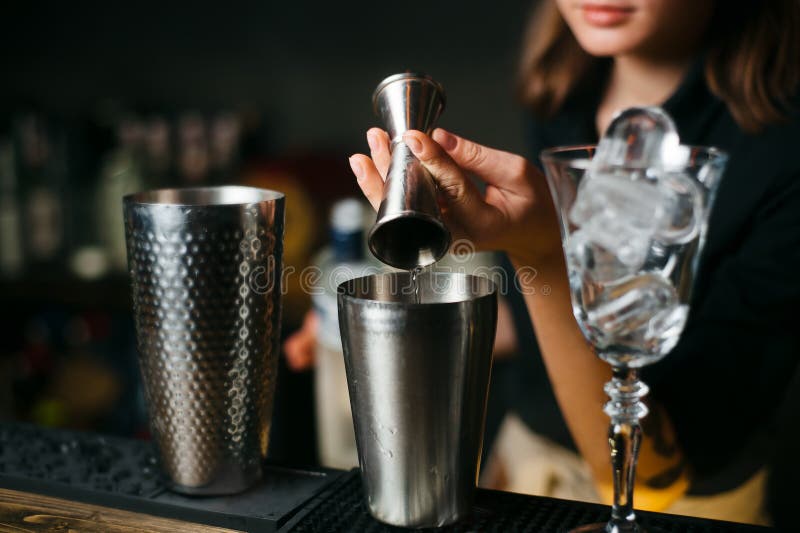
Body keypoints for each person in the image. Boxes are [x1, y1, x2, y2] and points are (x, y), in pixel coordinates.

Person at [348, 0, 800, 525]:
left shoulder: (784, 155)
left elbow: (658, 475)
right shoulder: (563, 94)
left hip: (683, 506)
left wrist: (540, 248)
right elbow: (533, 314)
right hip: (522, 471)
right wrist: (367, 336)